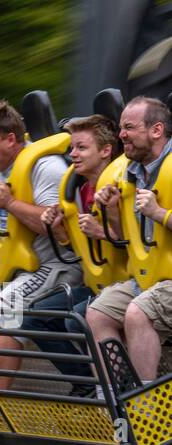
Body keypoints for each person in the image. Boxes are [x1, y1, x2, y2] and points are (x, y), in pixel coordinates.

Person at [0, 100, 82, 390]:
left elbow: (55, 227)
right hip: (14, 267)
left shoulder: (45, 167)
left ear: (10, 139)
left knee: (2, 311)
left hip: (54, 266)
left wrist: (11, 203)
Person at [83, 96, 172, 384]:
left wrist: (159, 213)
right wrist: (110, 211)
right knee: (97, 312)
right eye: (121, 128)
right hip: (148, 278)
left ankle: (145, 409)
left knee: (137, 313)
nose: (121, 135)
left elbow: (156, 218)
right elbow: (125, 237)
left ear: (156, 130)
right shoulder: (131, 175)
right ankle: (115, 398)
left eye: (129, 128)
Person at [35, 114, 121, 390]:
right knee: (36, 316)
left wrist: (103, 232)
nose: (72, 154)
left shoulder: (120, 186)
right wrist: (59, 229)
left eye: (81, 148)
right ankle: (85, 382)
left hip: (123, 278)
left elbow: (138, 243)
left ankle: (116, 391)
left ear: (106, 151)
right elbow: (77, 248)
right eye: (72, 148)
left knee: (79, 321)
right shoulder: (79, 190)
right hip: (96, 280)